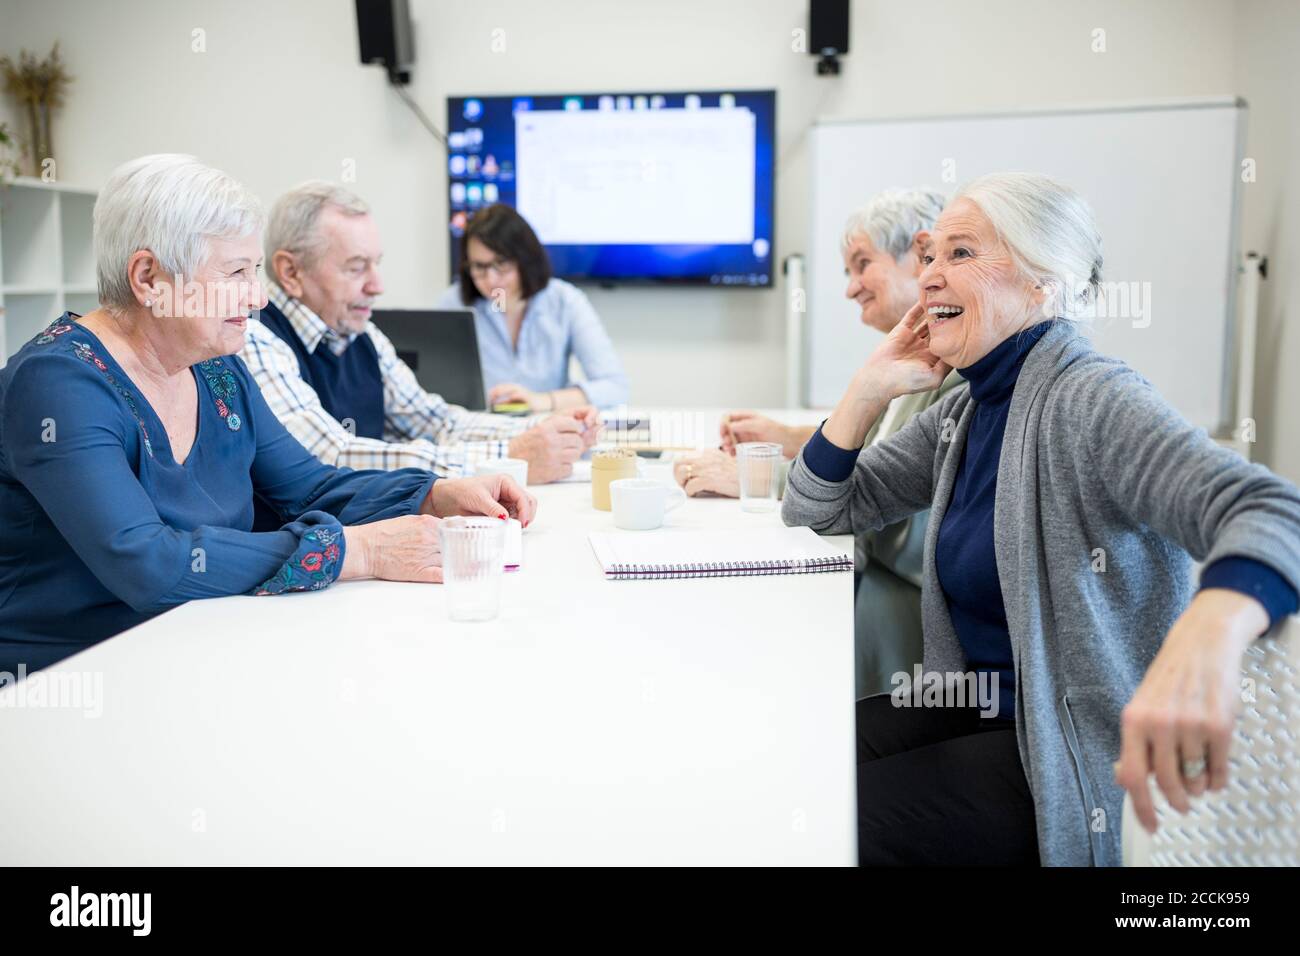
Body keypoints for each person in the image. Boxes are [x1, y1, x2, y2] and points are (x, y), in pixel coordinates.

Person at [781, 172, 1300, 866]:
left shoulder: (1092, 397)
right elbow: (818, 507)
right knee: (793, 767)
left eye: (961, 255)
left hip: (1070, 754)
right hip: (984, 710)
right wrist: (869, 387)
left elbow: (1271, 509)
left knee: (821, 827)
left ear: (1042, 285)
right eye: (930, 256)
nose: (932, 274)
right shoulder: (966, 410)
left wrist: (1209, 631)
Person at [0, 155, 535, 675]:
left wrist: (434, 493)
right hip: (72, 679)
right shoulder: (58, 383)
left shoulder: (217, 370)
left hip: (200, 646)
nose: (256, 298)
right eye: (236, 272)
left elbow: (311, 488)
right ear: (149, 279)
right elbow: (146, 562)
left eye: (254, 271)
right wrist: (358, 551)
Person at [673, 189, 961, 698]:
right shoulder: (919, 360)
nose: (850, 289)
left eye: (861, 265)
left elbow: (882, 493)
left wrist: (758, 477)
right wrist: (786, 439)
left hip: (896, 621)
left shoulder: (954, 372)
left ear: (919, 254)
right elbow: (886, 450)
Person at [241, 183, 597, 486]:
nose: (377, 286)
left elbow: (436, 422)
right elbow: (329, 454)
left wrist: (547, 430)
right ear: (290, 272)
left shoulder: (362, 335)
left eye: (376, 264)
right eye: (356, 267)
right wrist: (511, 457)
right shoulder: (255, 337)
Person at [435, 203, 629, 411]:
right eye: (479, 266)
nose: (491, 279)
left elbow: (615, 388)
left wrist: (542, 401)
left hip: (548, 430)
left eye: (501, 263)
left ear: (525, 259)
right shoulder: (454, 303)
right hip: (478, 432)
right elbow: (430, 387)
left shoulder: (564, 301)